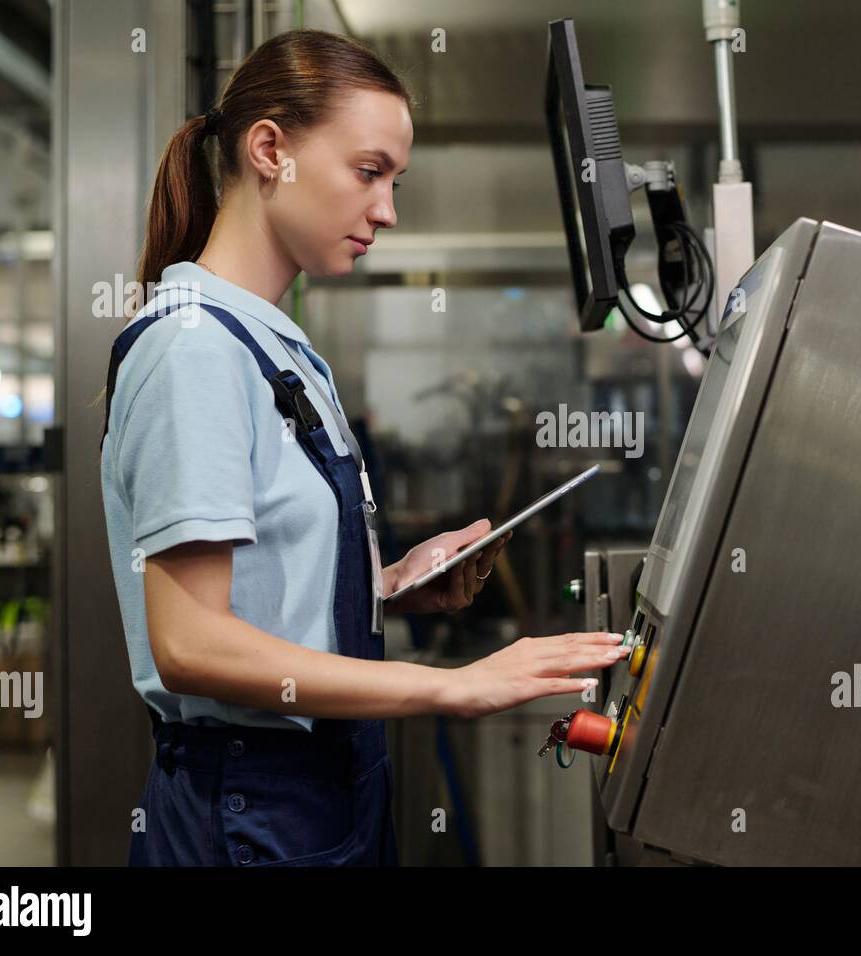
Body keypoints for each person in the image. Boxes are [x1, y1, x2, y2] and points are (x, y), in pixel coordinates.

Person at [99, 28, 627, 867]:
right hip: (254, 806)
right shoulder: (193, 348)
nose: (387, 209)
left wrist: (384, 590)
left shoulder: (280, 348)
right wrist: (452, 686)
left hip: (327, 782)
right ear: (270, 150)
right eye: (369, 171)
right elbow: (192, 643)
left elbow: (257, 593)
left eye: (394, 180)